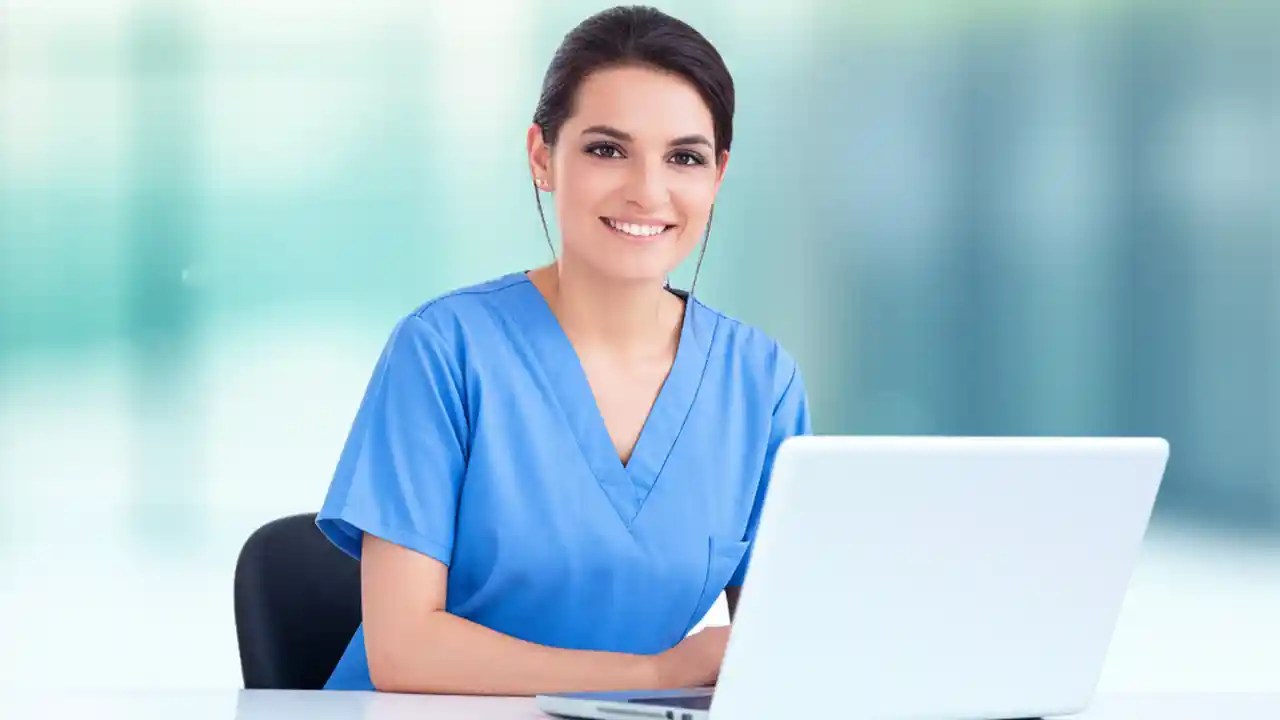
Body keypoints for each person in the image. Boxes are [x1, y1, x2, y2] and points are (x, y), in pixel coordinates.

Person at [316, 4, 811, 694]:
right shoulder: (444, 352)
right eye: (607, 149)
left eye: (685, 157)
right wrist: (655, 674)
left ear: (718, 177)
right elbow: (405, 651)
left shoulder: (760, 384)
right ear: (542, 158)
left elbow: (789, 646)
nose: (647, 190)